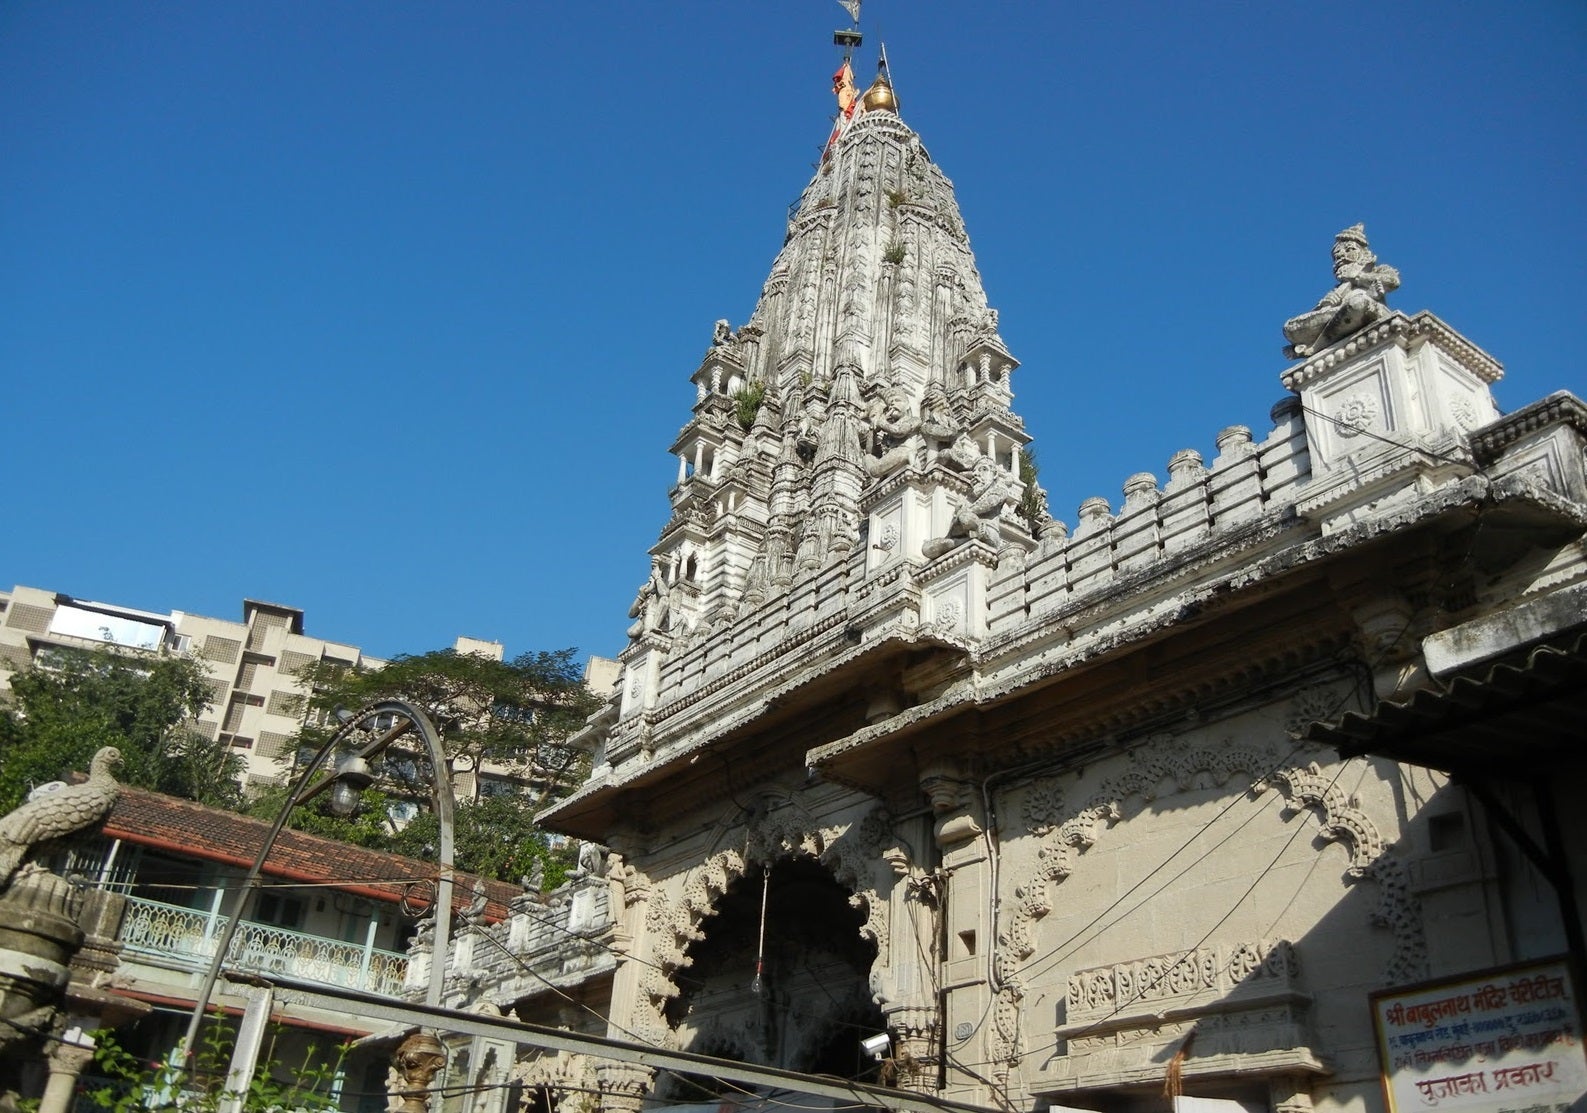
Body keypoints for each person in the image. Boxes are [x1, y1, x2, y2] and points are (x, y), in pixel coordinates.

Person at [1282, 224, 1400, 359]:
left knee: (1358, 303)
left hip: (1369, 309)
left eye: (1348, 250)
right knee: (1290, 327)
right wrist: (1327, 304)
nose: (1342, 256)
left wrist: (1357, 277)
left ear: (1364, 253)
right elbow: (1321, 313)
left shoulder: (1377, 270)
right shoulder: (1338, 288)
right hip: (1340, 314)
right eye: (1337, 255)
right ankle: (1322, 341)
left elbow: (1393, 281)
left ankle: (1314, 348)